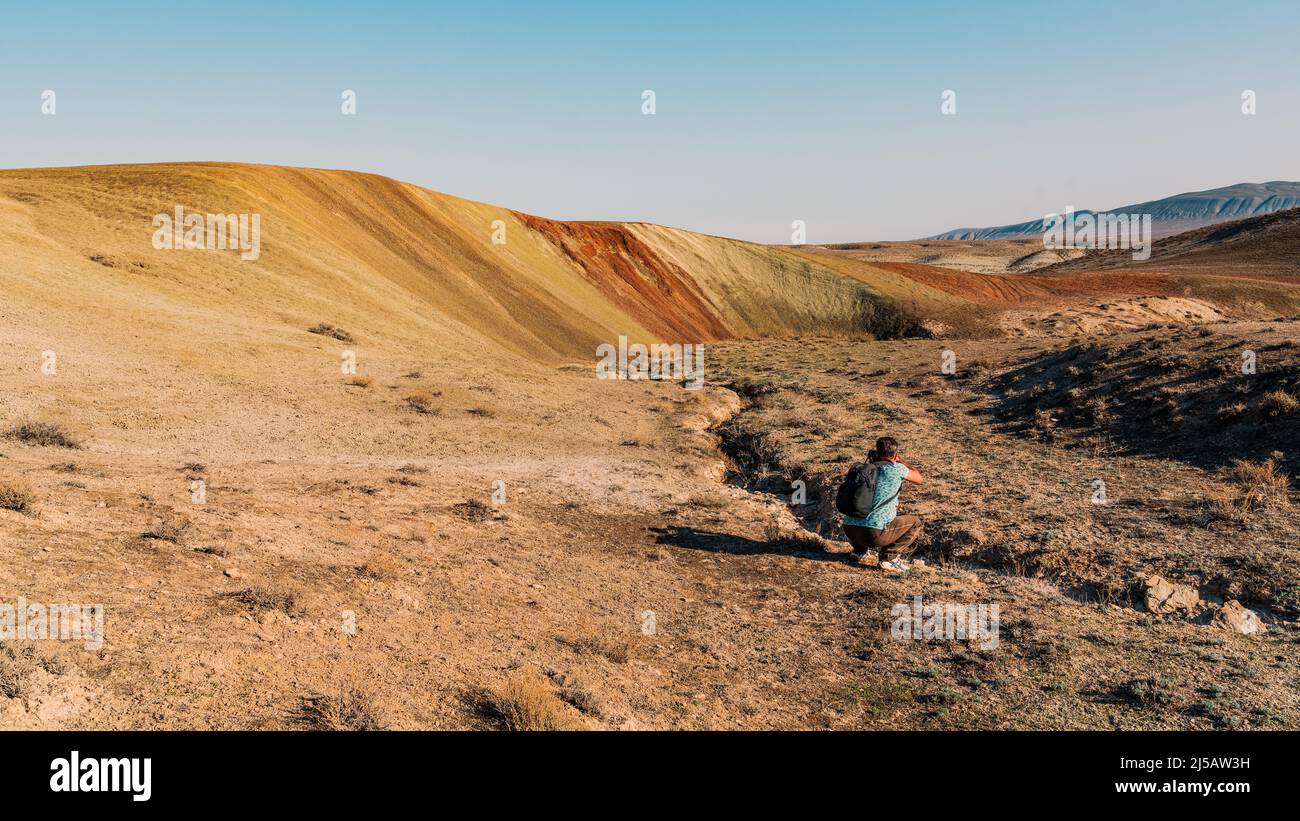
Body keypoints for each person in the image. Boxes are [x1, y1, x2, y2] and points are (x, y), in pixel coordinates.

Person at [842, 436, 924, 572]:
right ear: (895, 454)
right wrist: (901, 460)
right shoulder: (896, 468)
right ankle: (889, 559)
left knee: (864, 509)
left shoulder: (864, 468)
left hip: (850, 529)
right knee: (915, 522)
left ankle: (858, 551)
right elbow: (919, 478)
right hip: (873, 534)